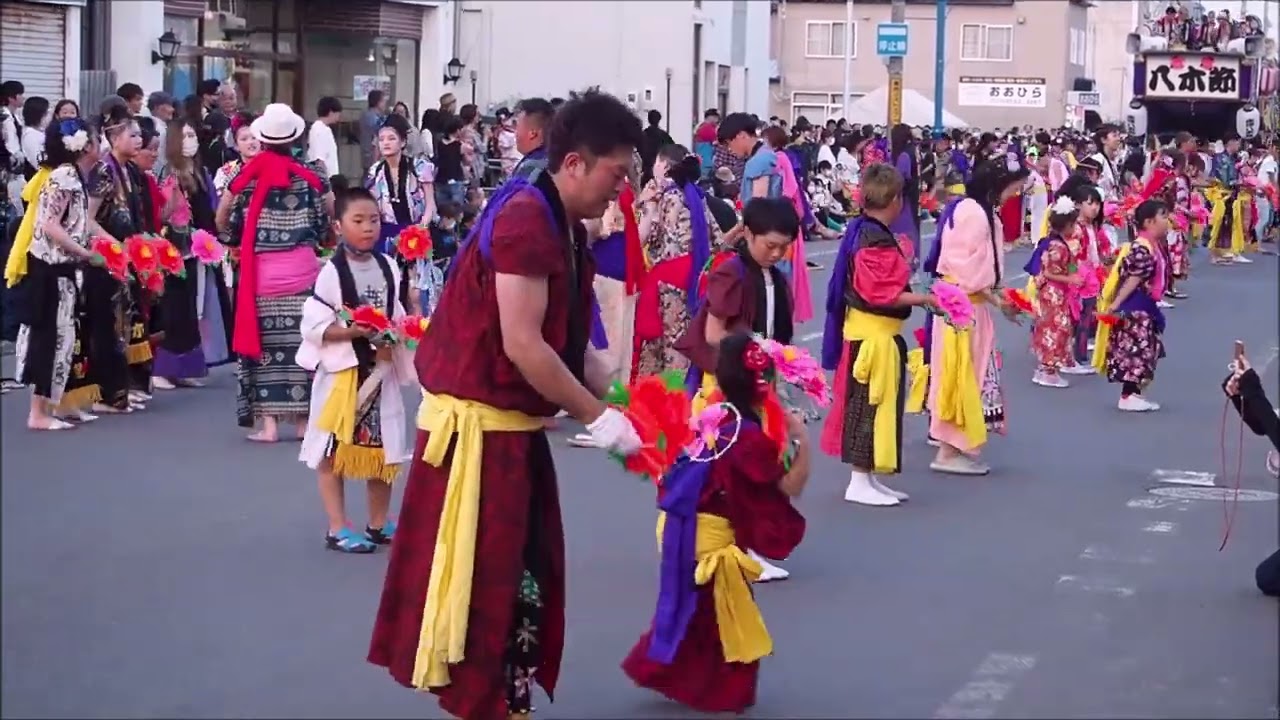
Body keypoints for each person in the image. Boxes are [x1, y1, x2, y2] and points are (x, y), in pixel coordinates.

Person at [366, 89, 645, 720]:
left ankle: (504, 704)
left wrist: (639, 408)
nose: (620, 189)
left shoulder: (562, 221)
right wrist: (600, 419)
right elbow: (523, 345)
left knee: (522, 581)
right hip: (481, 437)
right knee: (487, 592)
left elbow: (571, 351)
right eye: (616, 173)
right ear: (574, 162)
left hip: (510, 434)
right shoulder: (527, 218)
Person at [620, 332, 809, 714]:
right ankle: (714, 692)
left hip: (676, 522)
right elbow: (788, 488)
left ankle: (661, 669)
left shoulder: (716, 415)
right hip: (704, 536)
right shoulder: (749, 436)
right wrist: (801, 439)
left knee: (689, 611)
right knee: (724, 618)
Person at [675, 196, 798, 581]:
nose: (777, 253)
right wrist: (761, 348)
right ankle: (730, 548)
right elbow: (714, 334)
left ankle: (739, 546)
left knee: (754, 467)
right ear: (747, 234)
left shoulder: (774, 277)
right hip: (725, 386)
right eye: (770, 245)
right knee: (729, 473)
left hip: (755, 383)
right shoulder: (732, 273)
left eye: (784, 246)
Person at [298, 187, 415, 553]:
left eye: (374, 220)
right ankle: (337, 526)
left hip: (381, 370)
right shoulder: (331, 273)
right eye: (358, 221)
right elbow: (314, 324)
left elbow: (395, 312)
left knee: (384, 451)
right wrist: (350, 331)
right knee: (332, 449)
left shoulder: (389, 266)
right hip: (344, 374)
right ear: (338, 225)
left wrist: (404, 330)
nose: (368, 228)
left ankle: (378, 522)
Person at [820, 164, 934, 506]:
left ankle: (867, 476)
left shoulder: (864, 230)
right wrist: (928, 298)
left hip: (871, 333)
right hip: (872, 336)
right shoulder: (874, 238)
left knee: (876, 404)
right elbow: (879, 293)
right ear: (896, 199)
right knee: (868, 406)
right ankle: (859, 479)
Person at [222, 104, 333, 442]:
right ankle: (302, 423)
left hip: (263, 276)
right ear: (295, 137)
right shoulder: (313, 174)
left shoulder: (246, 177)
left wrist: (233, 236)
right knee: (303, 343)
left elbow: (224, 215)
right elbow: (327, 219)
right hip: (302, 273)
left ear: (262, 138)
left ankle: (269, 425)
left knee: (265, 346)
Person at [923, 158, 1027, 476]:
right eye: (1014, 188)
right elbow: (969, 272)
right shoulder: (976, 214)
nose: (1015, 194)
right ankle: (948, 449)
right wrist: (997, 299)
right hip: (963, 308)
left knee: (964, 374)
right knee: (962, 375)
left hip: (963, 305)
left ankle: (952, 445)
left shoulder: (972, 209)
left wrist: (998, 302)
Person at [7, 118, 103, 429]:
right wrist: (85, 252)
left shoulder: (75, 175)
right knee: (48, 338)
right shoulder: (63, 177)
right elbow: (49, 225)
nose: (98, 144)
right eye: (94, 139)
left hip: (65, 267)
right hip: (50, 268)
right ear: (83, 145)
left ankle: (58, 404)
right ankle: (37, 413)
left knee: (67, 338)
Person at [634, 144, 724, 377]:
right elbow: (717, 238)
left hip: (670, 276)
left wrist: (647, 206)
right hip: (696, 273)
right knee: (687, 336)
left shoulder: (667, 197)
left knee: (669, 342)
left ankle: (669, 397)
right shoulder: (697, 194)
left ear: (664, 165)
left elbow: (653, 238)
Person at [85, 106, 151, 413]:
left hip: (126, 256)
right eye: (132, 135)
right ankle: (106, 393)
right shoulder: (103, 170)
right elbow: (88, 219)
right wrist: (116, 246)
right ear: (113, 138)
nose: (139, 140)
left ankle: (122, 388)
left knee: (125, 323)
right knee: (107, 325)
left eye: (139, 134)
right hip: (105, 258)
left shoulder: (129, 170)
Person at [154, 118, 222, 387]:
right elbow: (163, 213)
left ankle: (184, 368)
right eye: (184, 136)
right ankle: (162, 368)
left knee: (192, 308)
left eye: (192, 135)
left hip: (197, 247)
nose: (190, 141)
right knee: (173, 308)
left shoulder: (199, 170)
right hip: (174, 248)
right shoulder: (168, 172)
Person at [1092, 199, 1168, 413]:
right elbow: (1133, 278)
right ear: (1149, 222)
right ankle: (1128, 395)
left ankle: (1133, 394)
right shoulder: (1142, 248)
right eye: (1163, 216)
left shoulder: (1150, 245)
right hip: (1136, 308)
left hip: (1144, 307)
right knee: (1136, 351)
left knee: (1143, 350)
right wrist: (1115, 305)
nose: (1167, 221)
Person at [1027, 196, 1083, 389]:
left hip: (1053, 292)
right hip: (1054, 292)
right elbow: (1050, 272)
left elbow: (1069, 266)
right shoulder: (1057, 246)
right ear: (1066, 224)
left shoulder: (1053, 241)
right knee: (1056, 329)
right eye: (1073, 224)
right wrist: (1072, 278)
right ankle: (1049, 370)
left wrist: (1075, 272)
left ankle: (1044, 368)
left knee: (1048, 327)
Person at [509, 97, 553, 183]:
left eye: (517, 126)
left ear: (533, 133)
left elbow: (516, 196)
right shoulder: (553, 160)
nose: (515, 133)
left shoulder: (532, 166)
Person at [307, 96, 343, 183]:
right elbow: (319, 159)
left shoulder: (325, 129)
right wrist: (324, 182)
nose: (339, 116)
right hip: (327, 179)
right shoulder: (318, 129)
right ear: (330, 112)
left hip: (331, 177)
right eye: (338, 113)